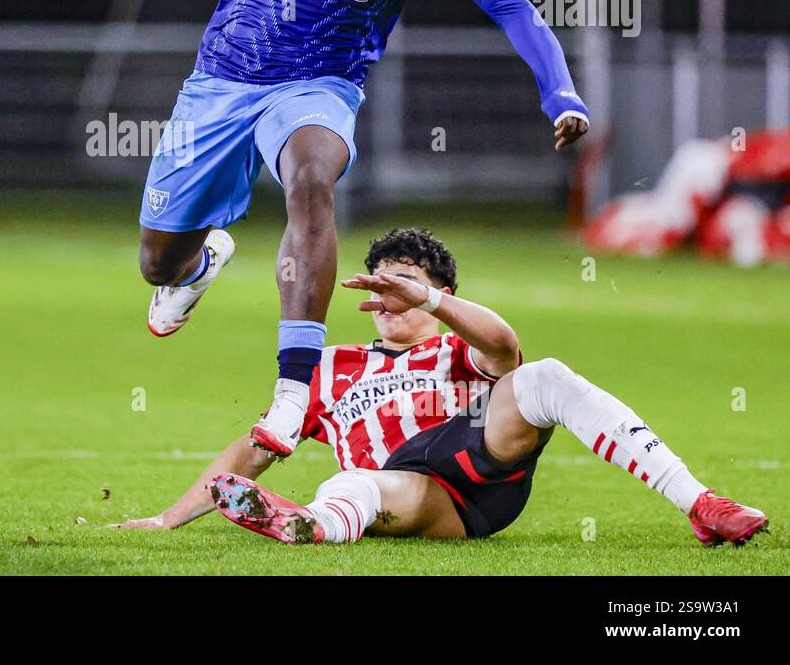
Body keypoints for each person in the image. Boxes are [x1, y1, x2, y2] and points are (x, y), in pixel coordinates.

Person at [0, 0, 591, 459]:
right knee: (156, 264)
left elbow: (509, 4)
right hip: (221, 82)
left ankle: (293, 392)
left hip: (318, 86)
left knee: (310, 179)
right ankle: (197, 266)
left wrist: (558, 90)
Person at [111, 227, 768, 547]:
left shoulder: (459, 348)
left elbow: (507, 348)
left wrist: (427, 299)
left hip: (480, 461)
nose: (387, 296)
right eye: (380, 283)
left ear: (438, 293)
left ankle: (701, 504)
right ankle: (309, 526)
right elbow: (250, 453)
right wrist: (169, 517)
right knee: (350, 486)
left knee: (546, 377)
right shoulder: (330, 366)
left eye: (404, 285)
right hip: (418, 495)